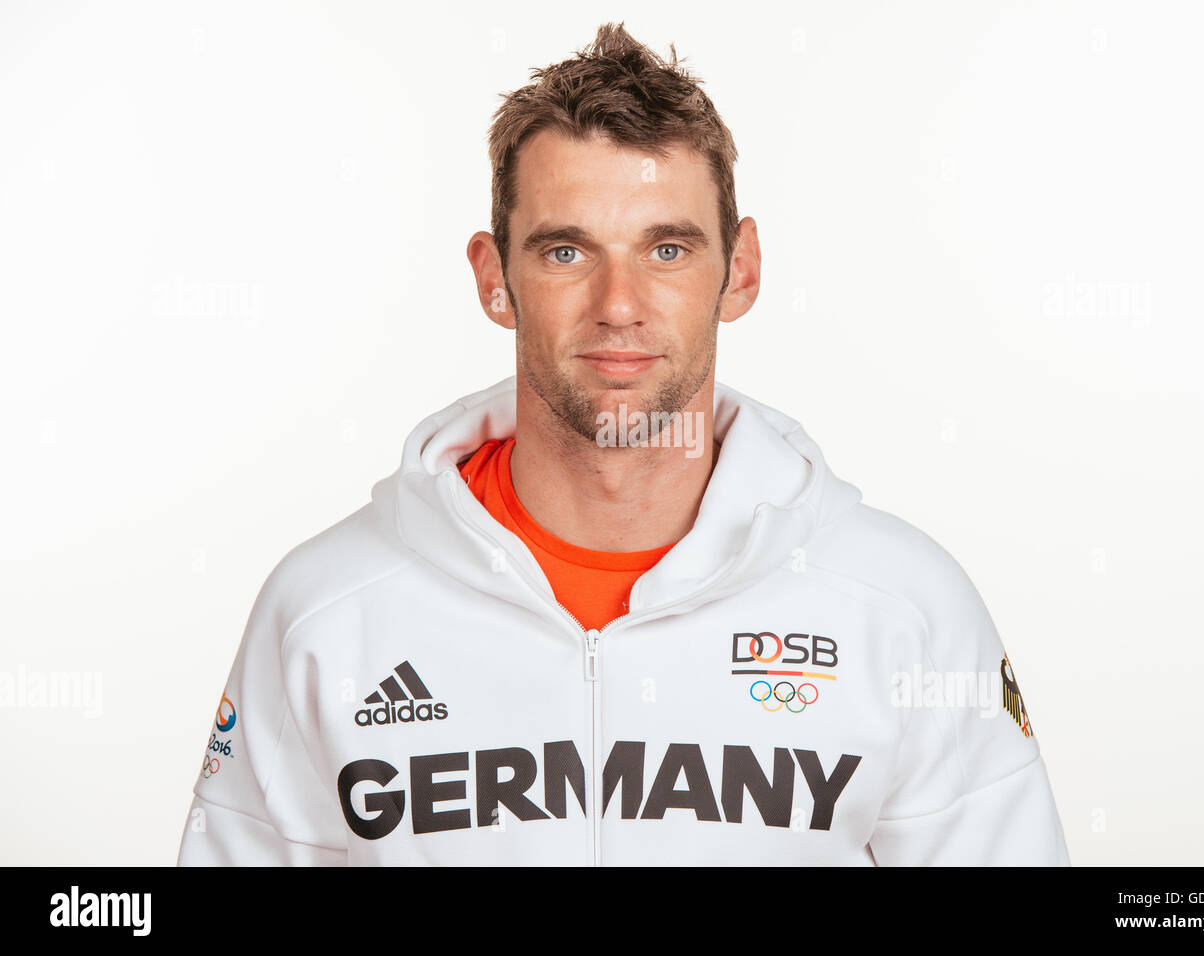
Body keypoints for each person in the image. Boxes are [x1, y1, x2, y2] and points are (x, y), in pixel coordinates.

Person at [177, 21, 1069, 866]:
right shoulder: (330, 611)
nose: (619, 302)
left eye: (668, 249)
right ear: (494, 279)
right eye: (566, 252)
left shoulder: (898, 606)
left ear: (741, 269)